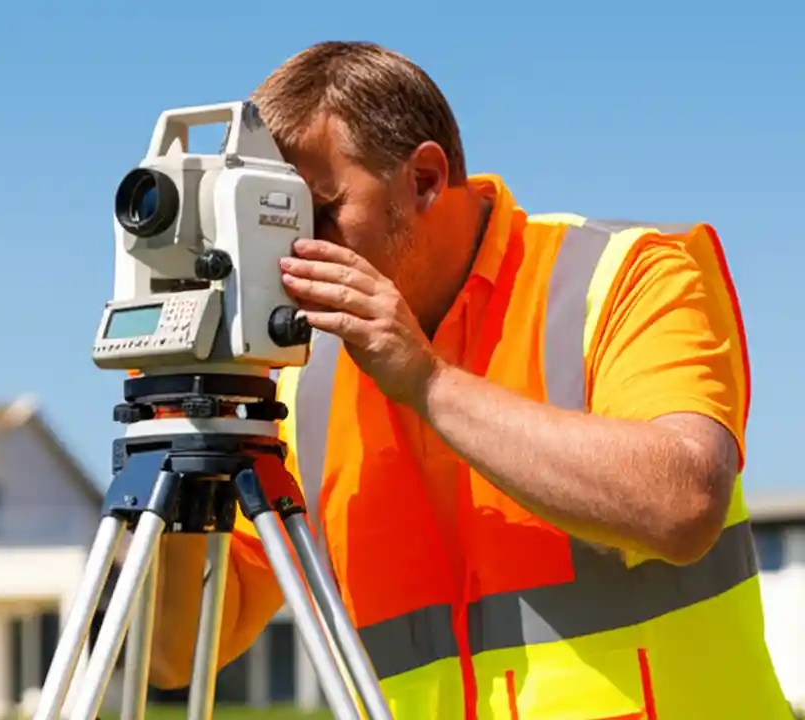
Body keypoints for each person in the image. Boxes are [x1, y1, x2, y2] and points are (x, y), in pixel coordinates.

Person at [147, 40, 794, 719]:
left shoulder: (625, 273)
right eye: (270, 223)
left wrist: (428, 382)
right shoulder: (296, 385)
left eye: (318, 213)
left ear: (425, 178)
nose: (290, 250)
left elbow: (683, 504)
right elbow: (176, 655)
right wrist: (180, 422)